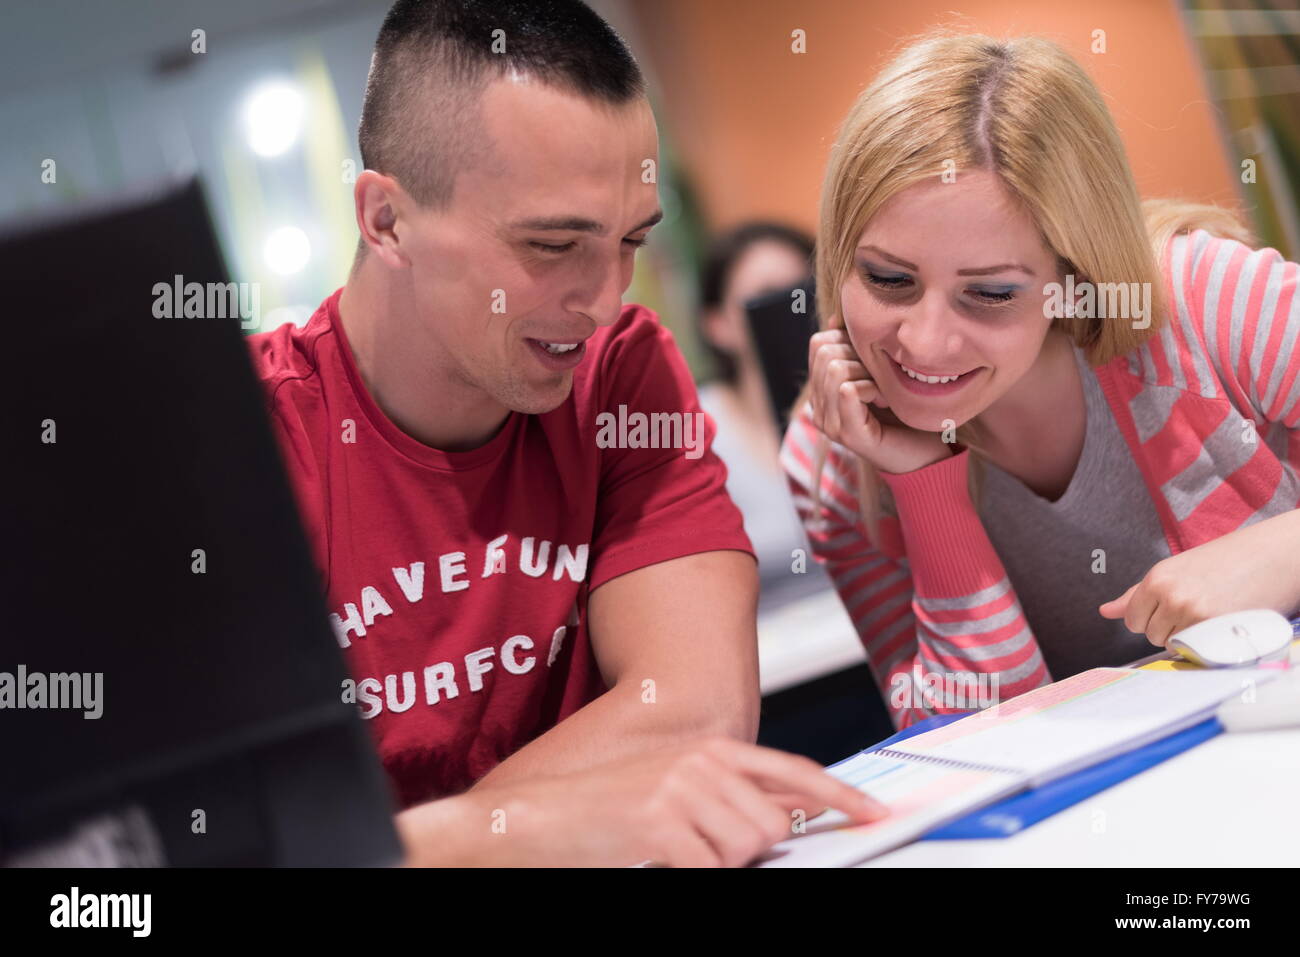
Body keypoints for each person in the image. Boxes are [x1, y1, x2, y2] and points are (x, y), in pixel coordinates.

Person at [249, 0, 886, 866]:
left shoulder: (621, 370)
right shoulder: (242, 440)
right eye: (553, 245)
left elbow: (694, 716)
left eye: (630, 240)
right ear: (387, 221)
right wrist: (507, 833)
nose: (606, 297)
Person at [783, 30, 1300, 729]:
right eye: (887, 279)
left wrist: (1281, 551)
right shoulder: (832, 456)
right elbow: (968, 746)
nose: (925, 341)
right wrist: (923, 481)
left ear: (1074, 274)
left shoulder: (1203, 301)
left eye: (991, 293)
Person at [696, 222, 820, 593]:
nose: (794, 310)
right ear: (717, 326)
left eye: (804, 290)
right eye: (769, 297)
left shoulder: (871, 405)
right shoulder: (691, 436)